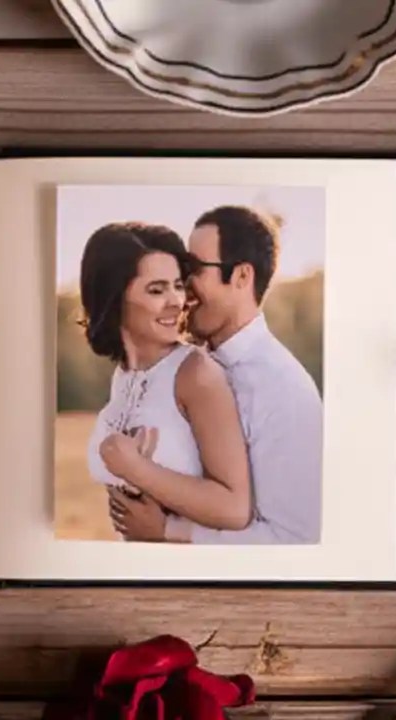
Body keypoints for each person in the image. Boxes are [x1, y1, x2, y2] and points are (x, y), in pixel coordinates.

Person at [108, 206, 324, 545]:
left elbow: (293, 538)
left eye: (193, 269)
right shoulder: (179, 366)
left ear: (241, 277)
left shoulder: (283, 390)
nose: (183, 286)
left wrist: (169, 533)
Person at [78, 221, 254, 540]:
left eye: (177, 285)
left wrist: (136, 469)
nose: (177, 300)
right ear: (114, 298)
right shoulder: (125, 375)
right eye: (157, 290)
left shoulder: (196, 374)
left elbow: (235, 508)